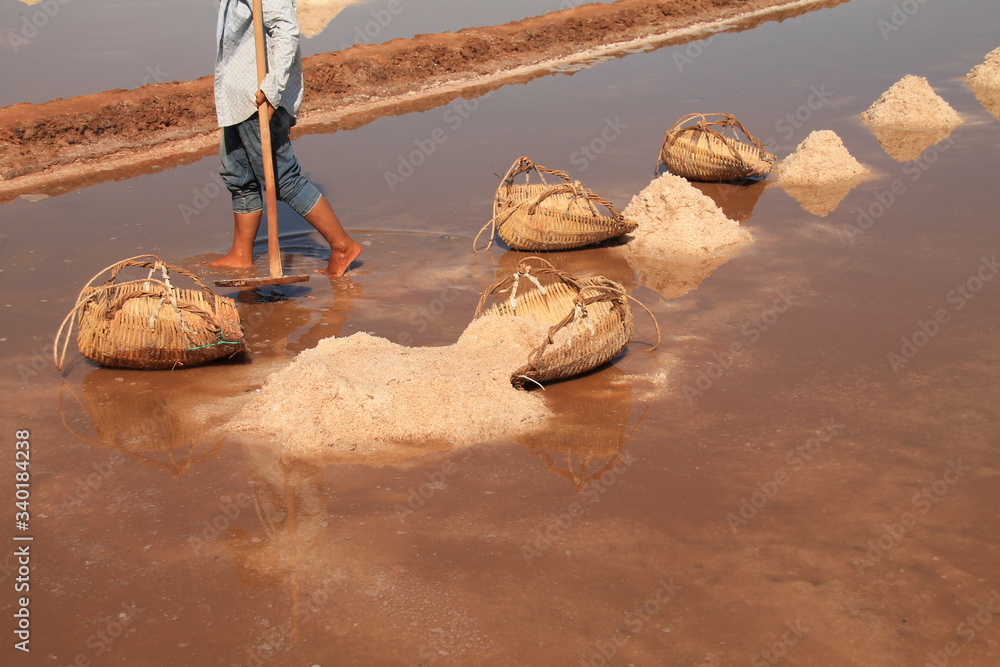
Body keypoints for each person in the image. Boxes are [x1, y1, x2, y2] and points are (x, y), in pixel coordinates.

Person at [207, 0, 361, 276]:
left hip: (258, 94)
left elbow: (286, 30)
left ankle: (342, 246)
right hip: (236, 96)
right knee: (237, 174)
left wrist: (271, 88)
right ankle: (241, 254)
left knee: (281, 179)